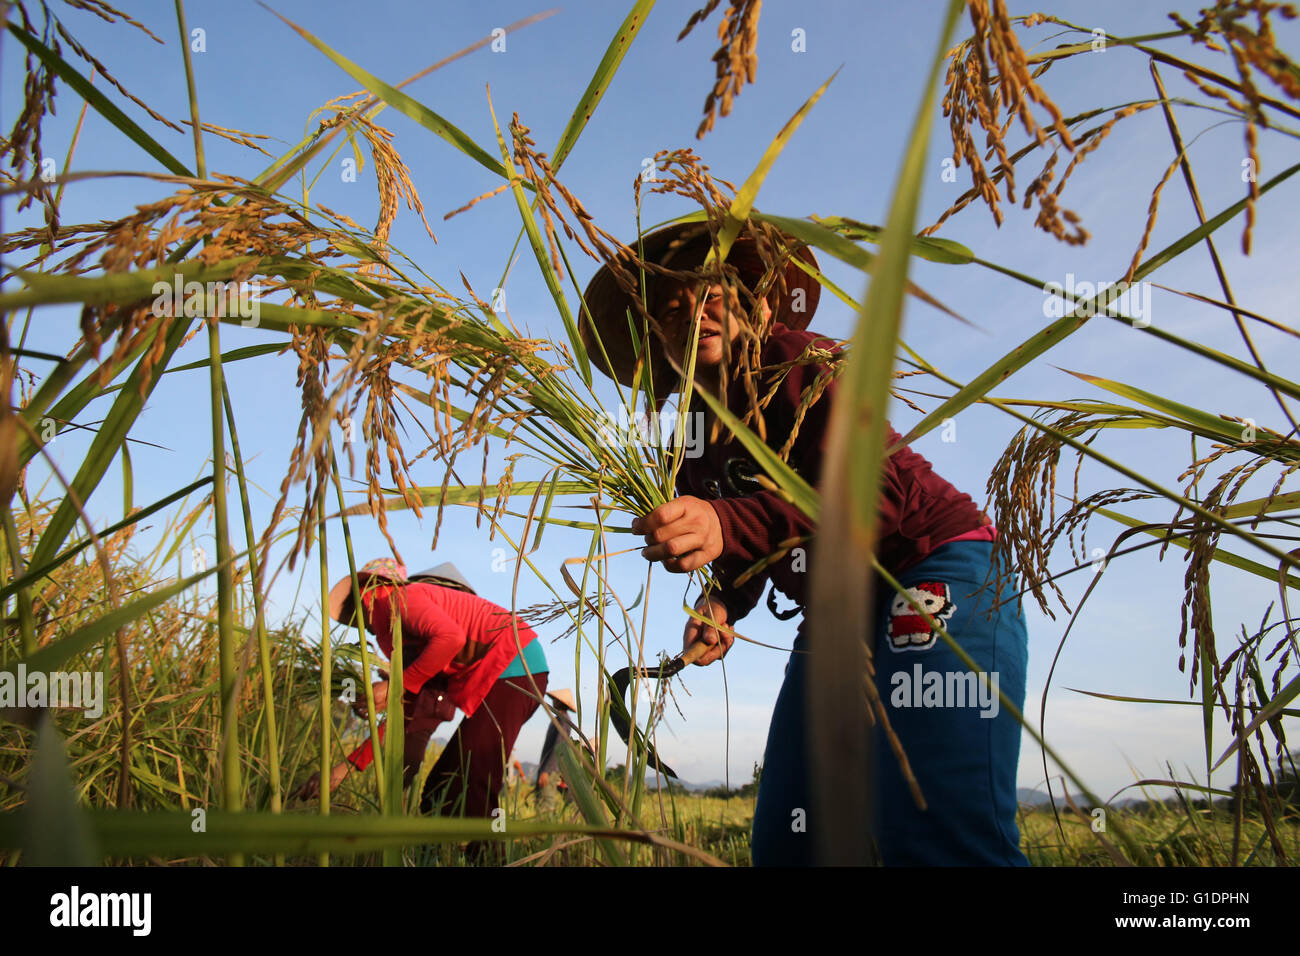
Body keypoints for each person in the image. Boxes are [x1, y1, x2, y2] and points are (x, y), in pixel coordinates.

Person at [577, 220, 1030, 866]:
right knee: (791, 839)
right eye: (669, 311)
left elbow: (875, 498)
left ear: (758, 306)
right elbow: (748, 545)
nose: (692, 314)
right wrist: (722, 603)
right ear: (654, 342)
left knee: (935, 828)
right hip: (835, 614)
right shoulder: (688, 437)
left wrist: (723, 524)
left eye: (712, 294)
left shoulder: (804, 365)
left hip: (930, 567)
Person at [296, 559, 549, 824]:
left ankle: (486, 854)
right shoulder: (412, 641)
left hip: (516, 666)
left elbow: (451, 639)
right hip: (507, 674)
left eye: (354, 612)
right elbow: (405, 713)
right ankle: (436, 850)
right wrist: (344, 769)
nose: (364, 627)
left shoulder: (401, 599)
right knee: (440, 789)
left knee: (473, 776)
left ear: (367, 595)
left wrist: (395, 684)